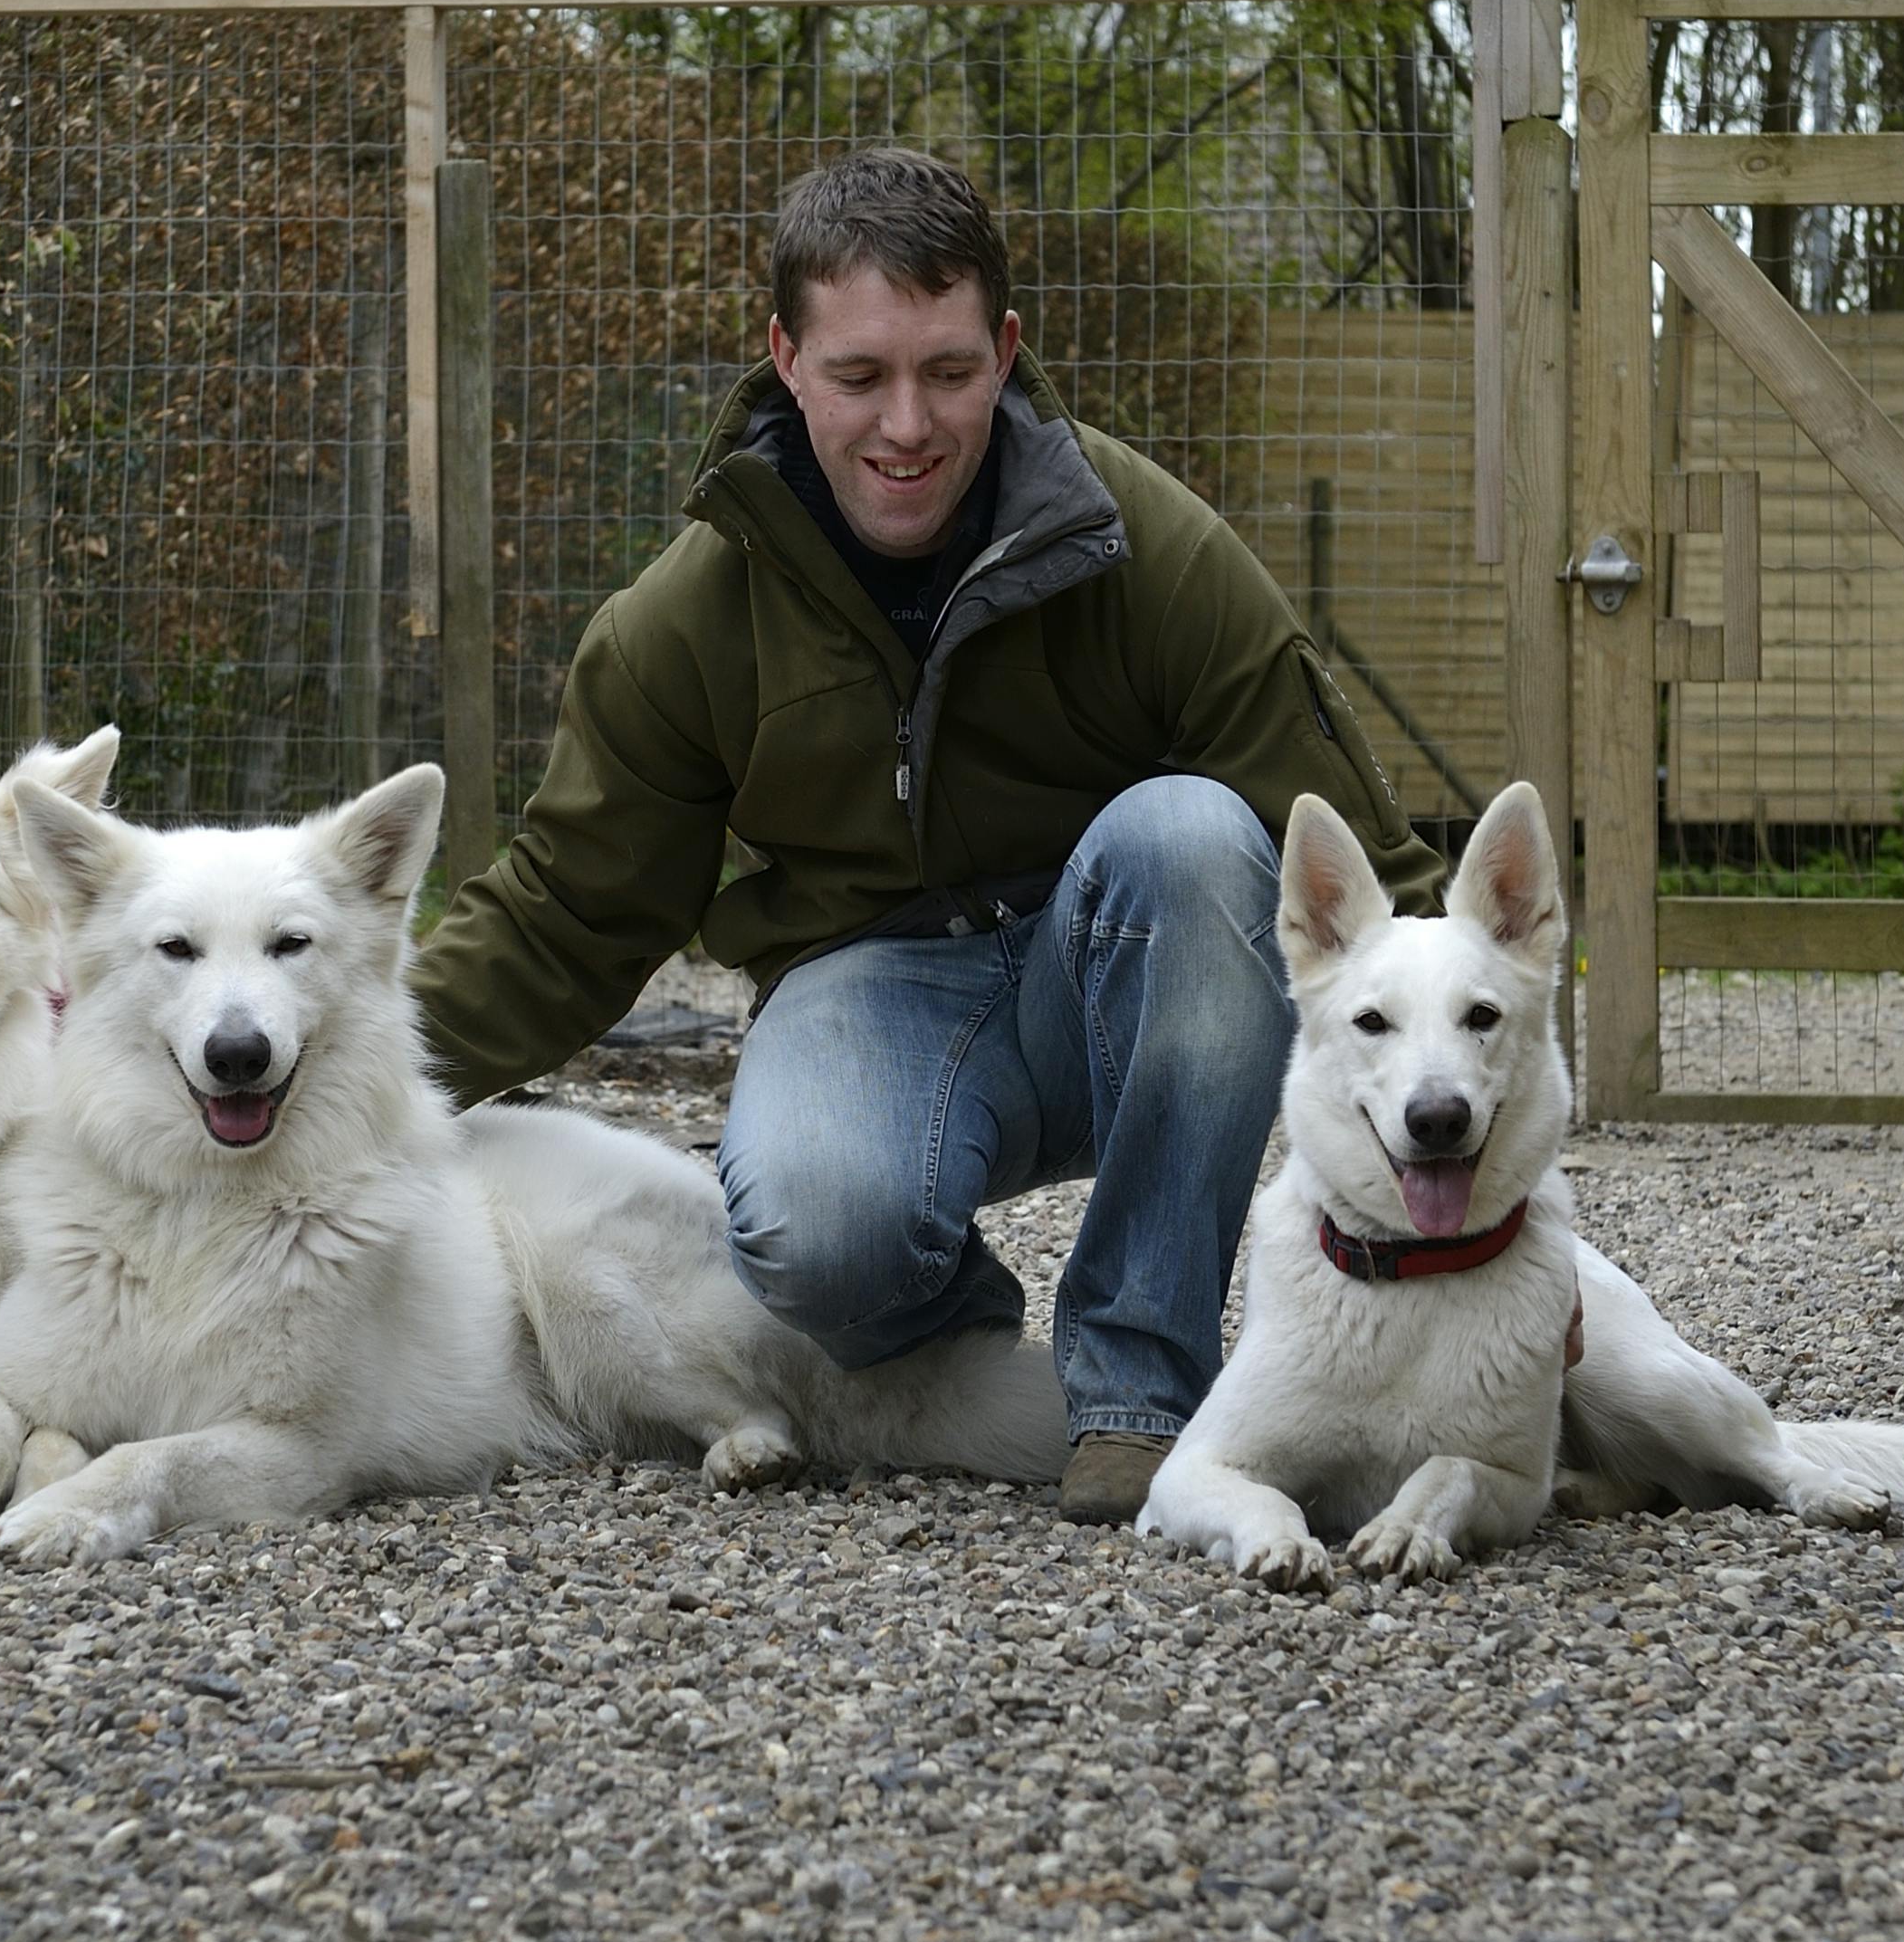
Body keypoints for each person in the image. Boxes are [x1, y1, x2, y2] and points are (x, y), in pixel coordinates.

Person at [411, 147, 1447, 1525]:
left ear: (1007, 352)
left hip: (1119, 974)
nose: (906, 423)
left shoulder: (1149, 548)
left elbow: (1383, 907)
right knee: (814, 1230)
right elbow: (561, 918)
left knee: (1195, 837)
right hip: (869, 987)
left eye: (949, 372)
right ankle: (952, 1327)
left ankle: (1140, 1395)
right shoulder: (683, 625)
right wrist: (330, 1066)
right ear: (784, 358)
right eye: (858, 376)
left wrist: (1515, 1248)